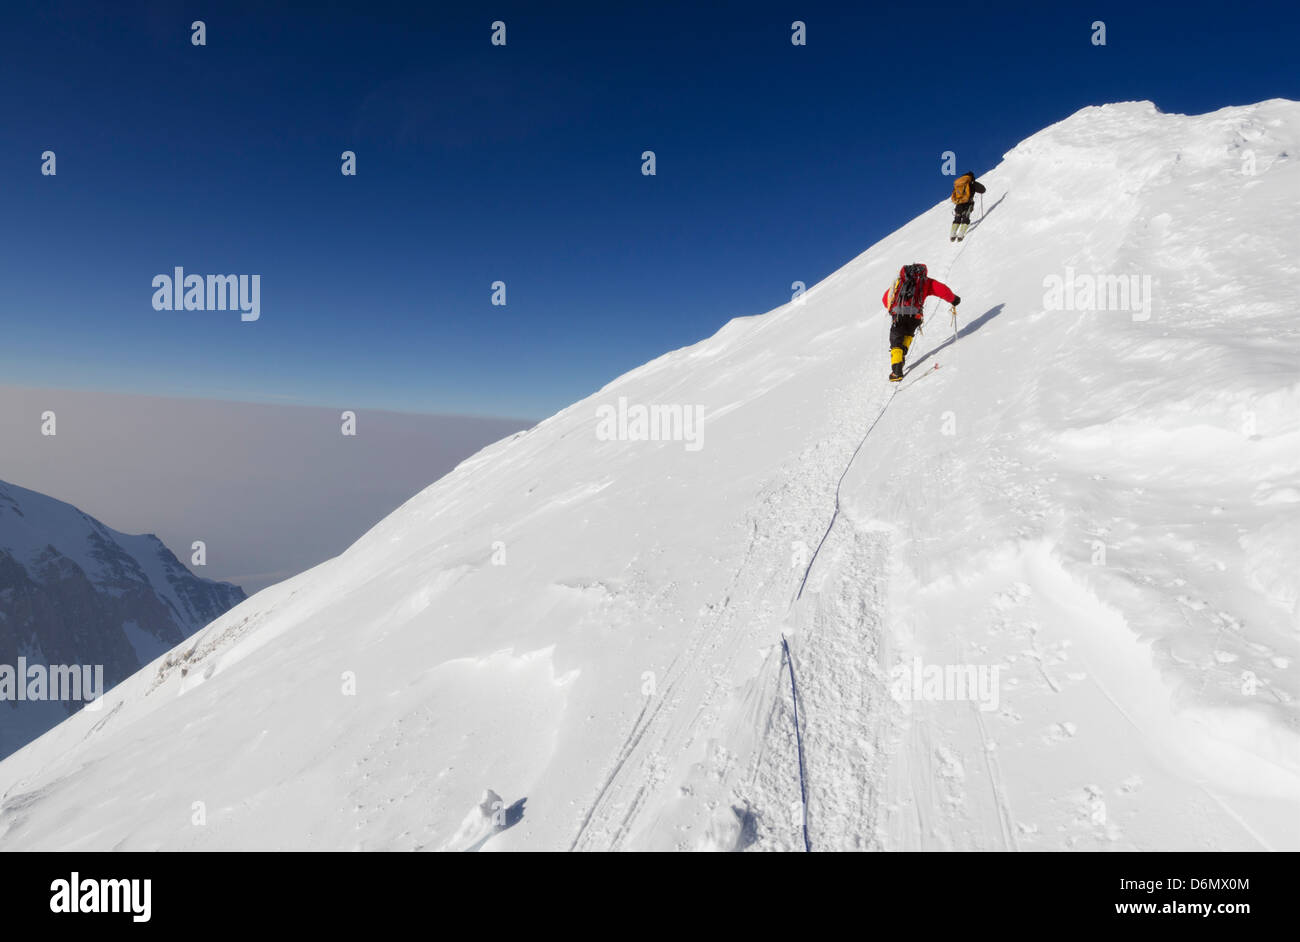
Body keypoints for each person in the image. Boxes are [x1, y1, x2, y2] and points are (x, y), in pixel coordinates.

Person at [881, 263, 960, 381]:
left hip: (898, 314)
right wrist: (953, 299)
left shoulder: (900, 281)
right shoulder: (925, 281)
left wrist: (893, 309)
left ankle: (896, 372)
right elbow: (941, 289)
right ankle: (901, 355)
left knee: (896, 340)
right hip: (915, 315)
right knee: (908, 334)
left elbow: (885, 298)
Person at [950, 171, 986, 242]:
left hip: (959, 203)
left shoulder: (959, 183)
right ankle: (961, 235)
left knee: (957, 217)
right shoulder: (971, 183)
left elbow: (954, 194)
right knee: (966, 217)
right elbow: (982, 190)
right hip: (968, 203)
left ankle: (952, 234)